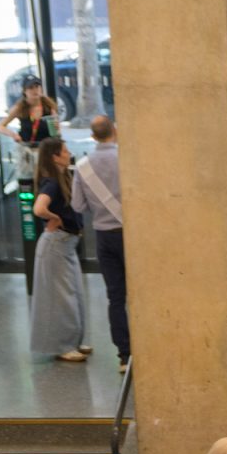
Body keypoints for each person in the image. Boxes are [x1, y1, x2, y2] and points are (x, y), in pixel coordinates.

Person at [70, 116, 128, 372]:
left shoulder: (82, 167)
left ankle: (124, 355)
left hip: (103, 236)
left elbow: (78, 206)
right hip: (131, 235)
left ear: (92, 136)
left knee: (115, 297)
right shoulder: (125, 159)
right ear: (114, 131)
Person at [29, 137, 89, 363]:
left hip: (65, 245)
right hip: (56, 244)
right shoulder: (52, 182)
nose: (69, 152)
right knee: (61, 297)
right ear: (55, 156)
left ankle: (73, 340)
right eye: (64, 150)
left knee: (73, 294)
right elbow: (38, 209)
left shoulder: (62, 177)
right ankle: (63, 345)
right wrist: (54, 218)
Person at [0, 73, 57, 178]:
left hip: (45, 151)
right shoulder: (20, 108)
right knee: (27, 181)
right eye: (30, 88)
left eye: (37, 86)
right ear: (25, 91)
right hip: (26, 151)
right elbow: (0, 126)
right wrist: (13, 135)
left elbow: (55, 133)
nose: (35, 90)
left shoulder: (49, 108)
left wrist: (55, 129)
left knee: (46, 179)